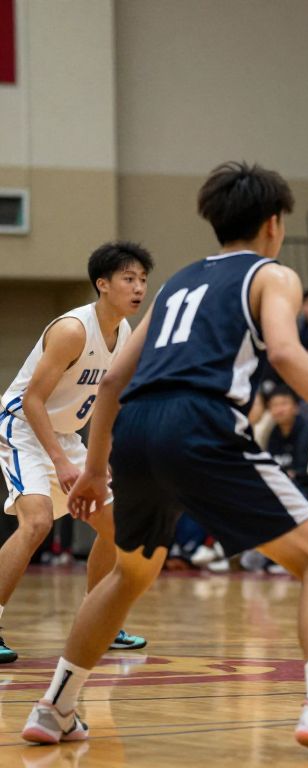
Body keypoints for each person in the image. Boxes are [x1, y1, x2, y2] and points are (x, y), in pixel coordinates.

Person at [23, 162, 308, 752]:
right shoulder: (271, 274)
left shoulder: (178, 280)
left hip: (137, 431)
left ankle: (55, 709)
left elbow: (112, 383)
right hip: (199, 422)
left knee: (131, 572)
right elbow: (283, 351)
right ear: (274, 224)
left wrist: (97, 466)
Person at [0, 242, 152, 664]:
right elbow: (32, 400)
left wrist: (102, 457)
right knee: (36, 523)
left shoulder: (125, 336)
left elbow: (112, 402)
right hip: (21, 427)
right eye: (128, 279)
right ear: (102, 284)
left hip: (66, 436)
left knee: (115, 527)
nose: (138, 287)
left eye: (142, 280)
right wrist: (63, 462)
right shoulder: (72, 330)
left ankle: (100, 619)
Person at [265, 387, 308, 503]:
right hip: (282, 484)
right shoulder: (273, 433)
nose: (279, 410)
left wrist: (293, 475)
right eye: (274, 405)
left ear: (296, 407)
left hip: (306, 485)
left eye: (284, 404)